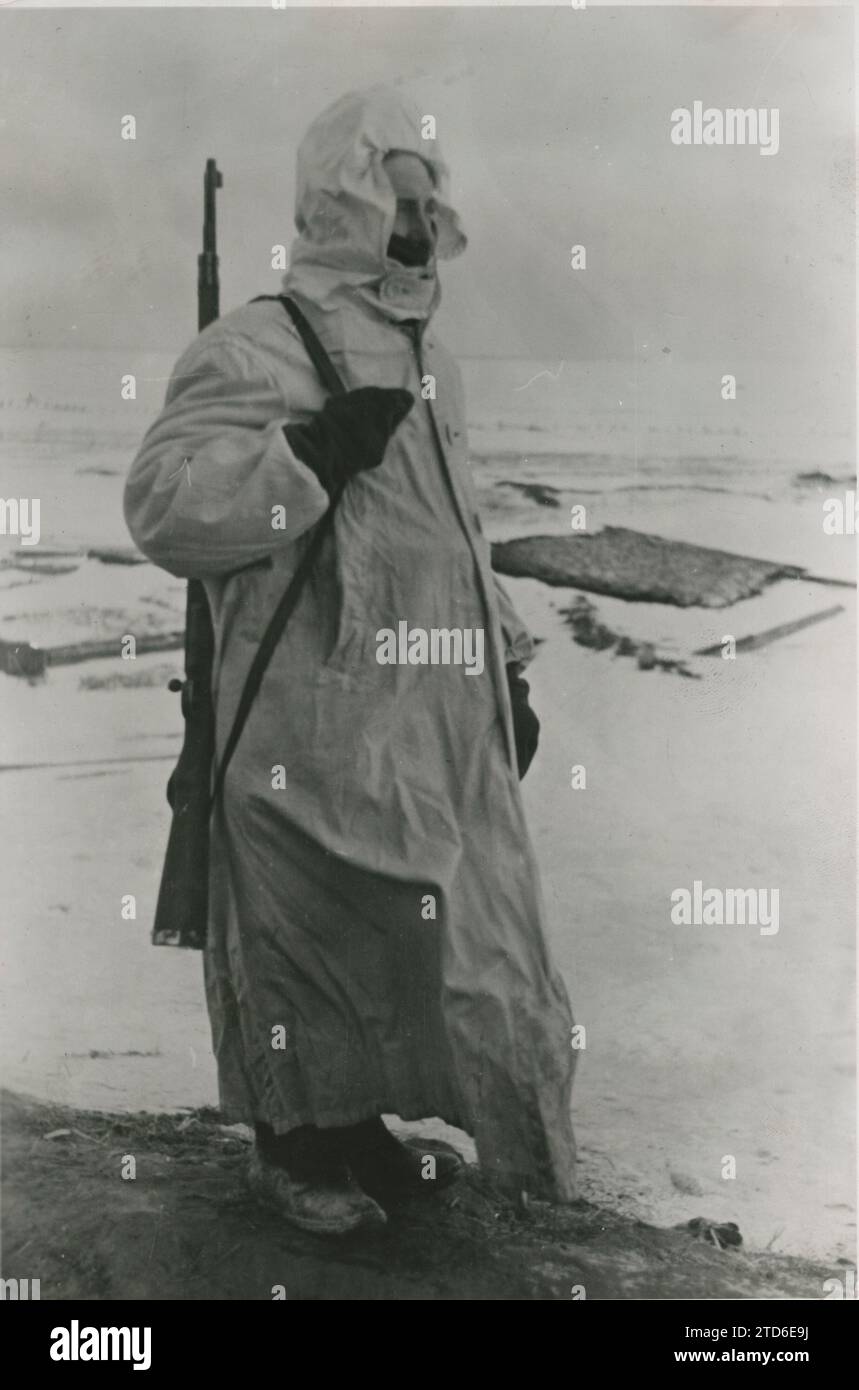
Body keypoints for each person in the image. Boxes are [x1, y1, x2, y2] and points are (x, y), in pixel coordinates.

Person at [125, 85, 577, 1236]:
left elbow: (449, 533)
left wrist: (506, 670)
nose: (417, 229)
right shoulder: (263, 344)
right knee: (307, 934)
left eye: (428, 203)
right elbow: (164, 506)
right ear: (344, 204)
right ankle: (293, 1144)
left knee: (420, 939)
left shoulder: (435, 361)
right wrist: (304, 456)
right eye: (394, 200)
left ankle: (364, 1124)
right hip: (302, 724)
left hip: (422, 717)